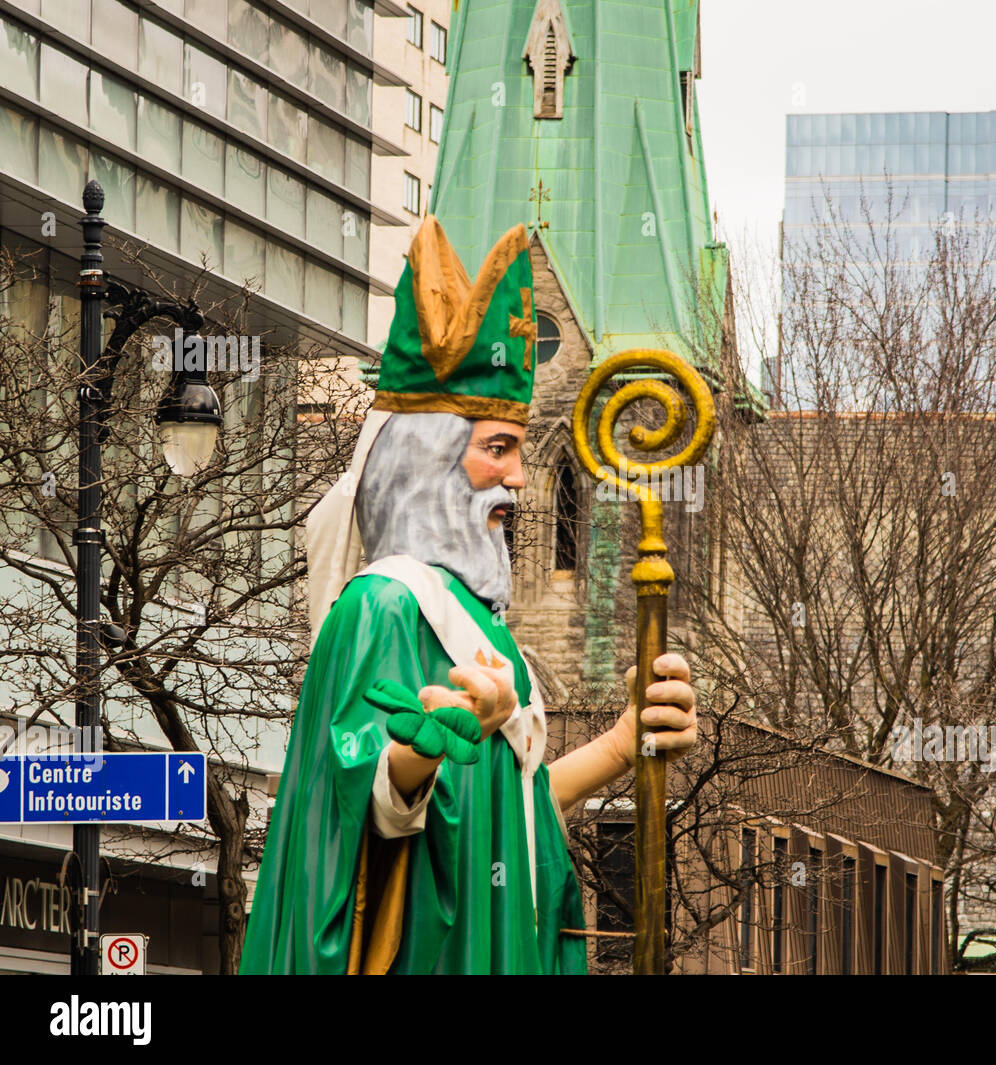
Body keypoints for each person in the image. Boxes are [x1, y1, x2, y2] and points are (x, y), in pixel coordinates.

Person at [239, 218, 697, 974]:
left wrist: (624, 741)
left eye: (519, 450)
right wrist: (419, 750)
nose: (519, 478)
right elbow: (364, 804)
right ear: (428, 462)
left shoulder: (478, 627)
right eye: (498, 449)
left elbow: (509, 818)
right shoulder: (382, 606)